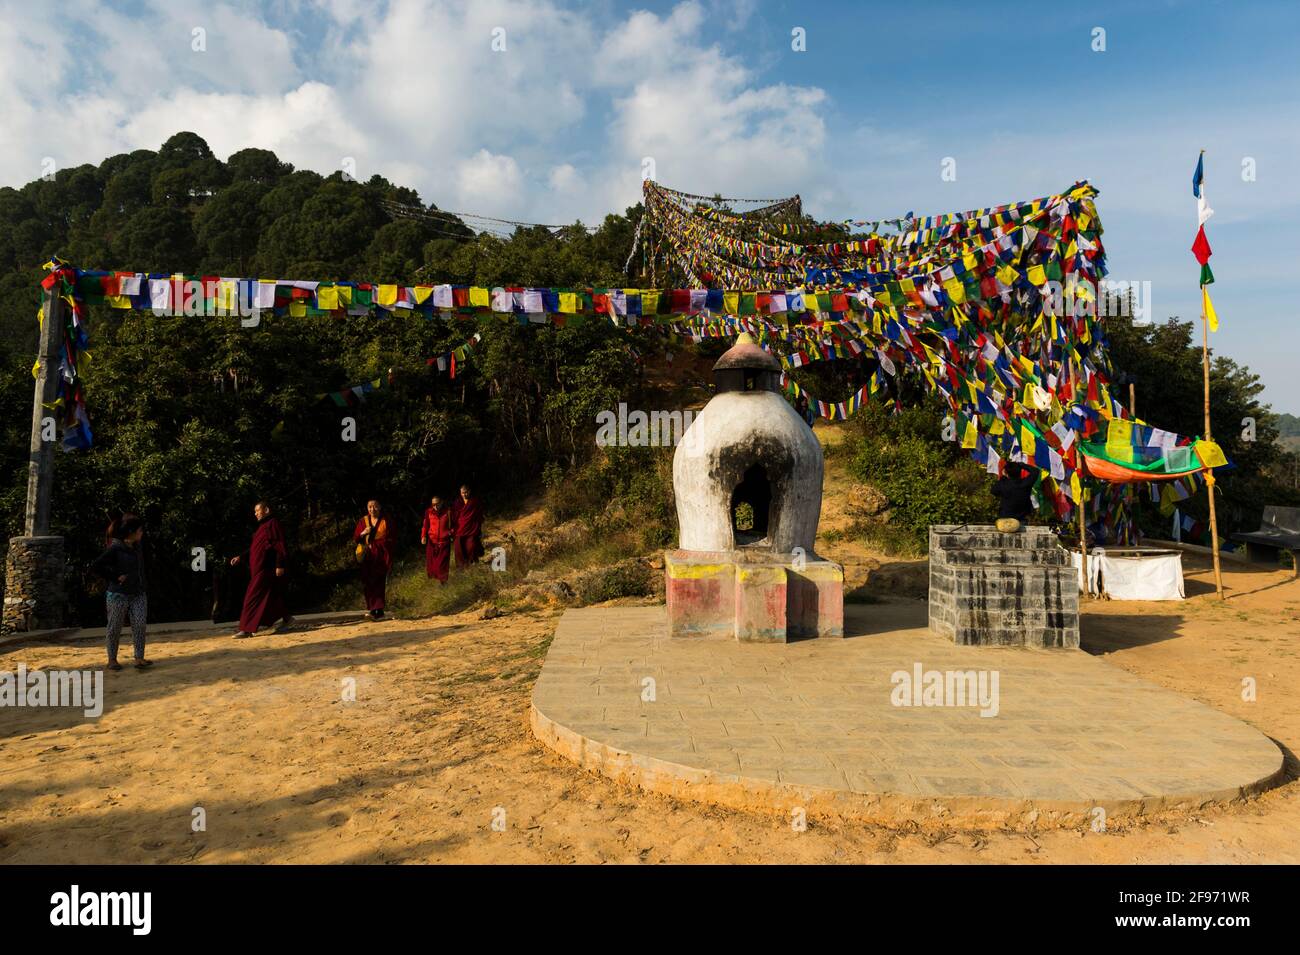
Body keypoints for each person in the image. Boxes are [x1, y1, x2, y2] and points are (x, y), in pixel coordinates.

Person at [89, 513, 152, 671]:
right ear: (131, 532)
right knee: (114, 627)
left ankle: (139, 657)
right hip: (118, 594)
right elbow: (95, 567)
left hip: (138, 593)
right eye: (139, 530)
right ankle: (112, 659)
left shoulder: (137, 546)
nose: (141, 533)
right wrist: (115, 577)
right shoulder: (115, 548)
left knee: (139, 624)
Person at [230, 500, 293, 638]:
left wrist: (279, 565)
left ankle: (246, 629)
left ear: (267, 510)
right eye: (254, 511)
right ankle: (287, 618)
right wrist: (241, 557)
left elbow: (279, 545)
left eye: (258, 511)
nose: (255, 514)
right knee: (270, 597)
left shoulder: (273, 524)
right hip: (258, 569)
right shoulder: (262, 527)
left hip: (266, 568)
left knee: (251, 597)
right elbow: (256, 548)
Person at [354, 499, 393, 619]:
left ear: (380, 507)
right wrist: (363, 533)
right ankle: (372, 609)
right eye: (370, 507)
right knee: (368, 582)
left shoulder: (386, 520)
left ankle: (379, 609)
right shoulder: (363, 521)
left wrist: (381, 545)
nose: (372, 509)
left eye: (375, 506)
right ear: (367, 509)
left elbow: (392, 538)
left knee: (379, 581)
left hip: (381, 555)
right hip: (368, 557)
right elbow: (356, 538)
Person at [991, 462, 1040, 532]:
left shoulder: (1003, 485)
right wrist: (1022, 465)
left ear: (1006, 473)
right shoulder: (1025, 483)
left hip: (1004, 520)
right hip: (1021, 520)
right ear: (1019, 472)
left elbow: (993, 491)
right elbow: (1036, 471)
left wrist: (1003, 477)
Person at [420, 495, 454, 584]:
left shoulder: (448, 512)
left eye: (437, 504)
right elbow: (425, 525)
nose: (435, 506)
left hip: (444, 542)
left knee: (442, 564)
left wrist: (450, 533)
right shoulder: (428, 512)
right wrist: (423, 536)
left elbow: (454, 525)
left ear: (441, 502)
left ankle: (443, 582)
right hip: (432, 542)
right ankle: (436, 581)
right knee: (432, 565)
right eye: (433, 504)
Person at [451, 484, 485, 568]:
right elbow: (454, 516)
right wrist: (452, 528)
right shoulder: (457, 502)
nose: (464, 494)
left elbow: (479, 514)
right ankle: (462, 566)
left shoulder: (474, 502)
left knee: (471, 546)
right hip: (459, 529)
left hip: (471, 528)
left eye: (466, 492)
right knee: (459, 548)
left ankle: (473, 563)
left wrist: (479, 524)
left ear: (469, 492)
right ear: (460, 493)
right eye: (462, 493)